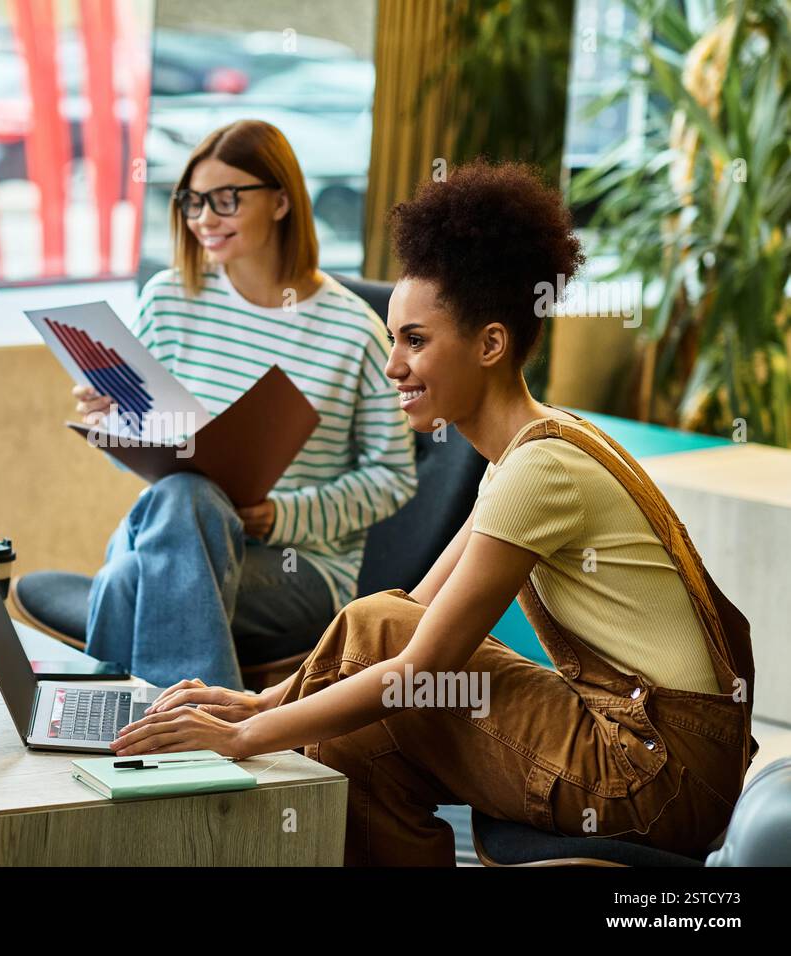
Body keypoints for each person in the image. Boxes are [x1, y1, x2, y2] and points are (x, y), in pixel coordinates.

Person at [108, 160, 758, 865]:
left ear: (490, 344)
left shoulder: (539, 471)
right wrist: (264, 703)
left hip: (658, 773)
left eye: (415, 340)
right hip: (654, 750)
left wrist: (243, 734)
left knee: (377, 637)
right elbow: (411, 610)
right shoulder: (525, 454)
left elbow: (420, 661)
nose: (393, 365)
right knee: (357, 727)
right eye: (393, 338)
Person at [73, 120, 416, 691]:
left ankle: (122, 722)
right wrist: (115, 423)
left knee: (127, 577)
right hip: (172, 533)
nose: (204, 218)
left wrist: (281, 514)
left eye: (226, 199)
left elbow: (393, 477)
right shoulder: (170, 299)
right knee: (180, 504)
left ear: (280, 201)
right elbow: (150, 452)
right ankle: (201, 729)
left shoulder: (352, 330)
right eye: (193, 201)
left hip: (296, 563)